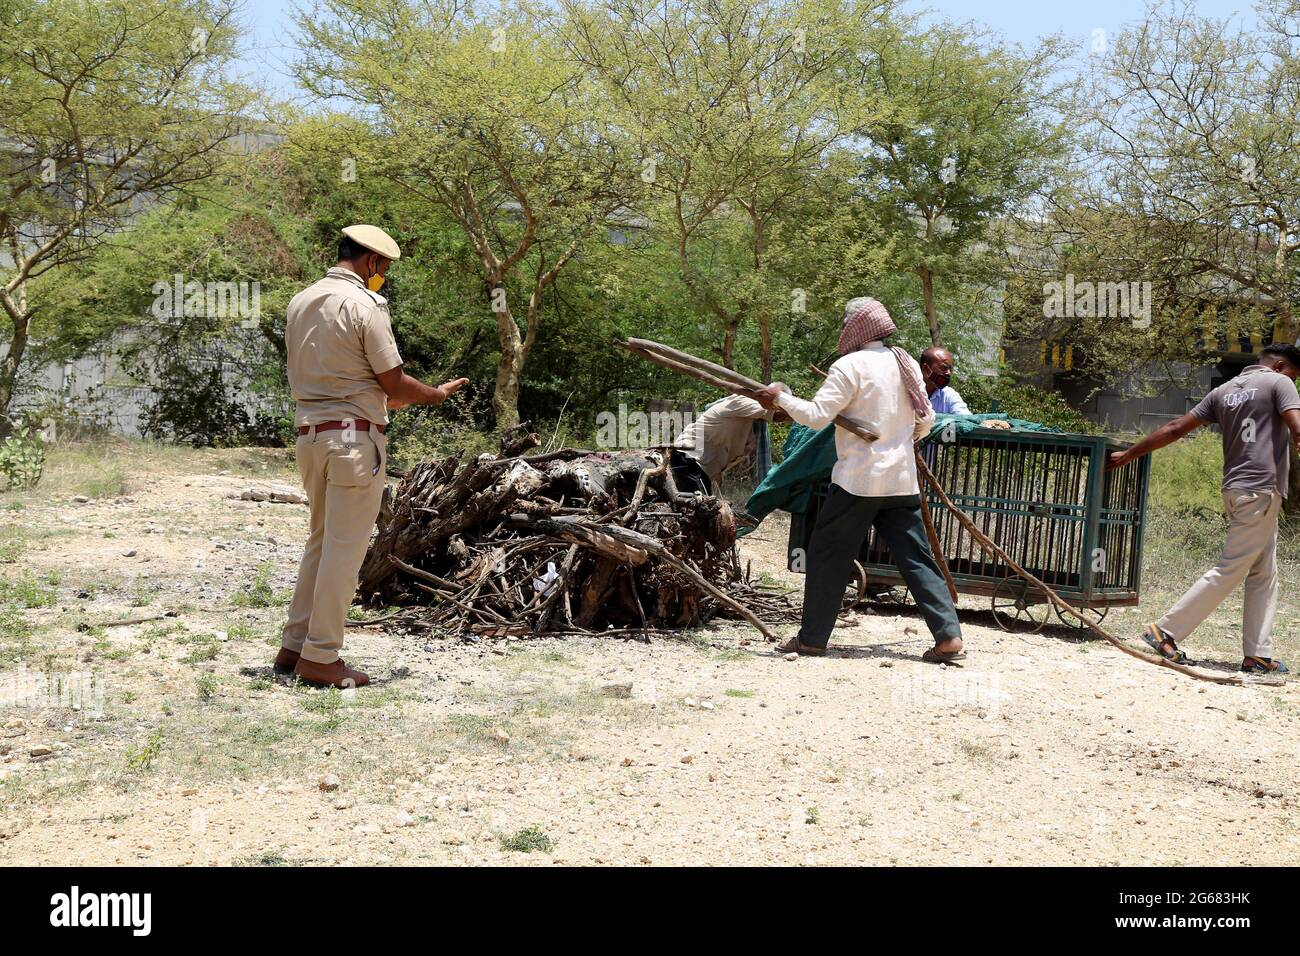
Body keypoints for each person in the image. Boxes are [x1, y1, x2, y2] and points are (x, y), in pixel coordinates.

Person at [277, 225, 470, 688]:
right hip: (352, 445)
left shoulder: (301, 302)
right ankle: (321, 657)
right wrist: (436, 395)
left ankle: (294, 646)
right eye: (383, 270)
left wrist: (410, 396)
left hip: (311, 437)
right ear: (373, 263)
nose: (382, 278)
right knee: (346, 552)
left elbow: (362, 389)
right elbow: (394, 384)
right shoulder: (366, 304)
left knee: (322, 543)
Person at [754, 297, 965, 662]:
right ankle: (948, 636)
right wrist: (902, 440)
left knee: (827, 554)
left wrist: (782, 399)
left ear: (856, 329)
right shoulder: (905, 364)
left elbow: (818, 417)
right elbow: (927, 419)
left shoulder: (849, 366)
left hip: (858, 482)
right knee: (916, 557)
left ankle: (812, 639)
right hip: (901, 481)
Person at [1107, 343, 1300, 673]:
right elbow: (1297, 427)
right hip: (1261, 490)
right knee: (1232, 567)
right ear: (1281, 367)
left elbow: (1174, 429)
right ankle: (1164, 631)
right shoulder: (1279, 383)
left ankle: (1257, 656)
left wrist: (1129, 454)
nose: (1293, 380)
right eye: (1295, 375)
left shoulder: (1223, 392)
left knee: (1264, 573)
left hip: (1236, 489)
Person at [670, 395, 789, 494]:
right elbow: (777, 415)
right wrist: (800, 412)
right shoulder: (744, 401)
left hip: (699, 462)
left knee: (695, 504)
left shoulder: (750, 425)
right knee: (698, 506)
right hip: (688, 454)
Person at [920, 346, 970, 415]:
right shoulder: (907, 392)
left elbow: (965, 419)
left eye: (950, 369)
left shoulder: (949, 395)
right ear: (926, 369)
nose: (949, 373)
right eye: (944, 367)